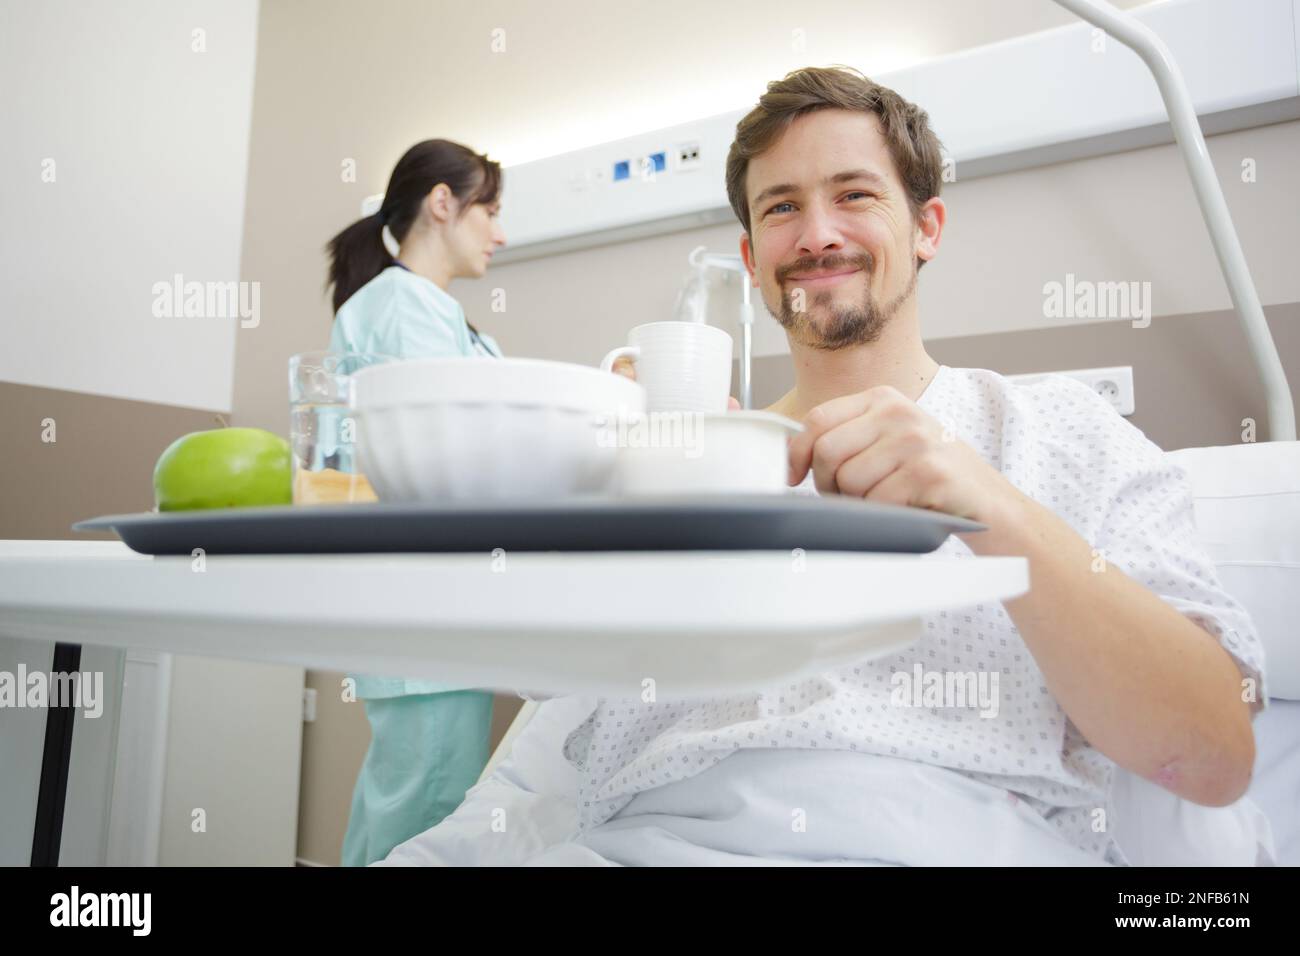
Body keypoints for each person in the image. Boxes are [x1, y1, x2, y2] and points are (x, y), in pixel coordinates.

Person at [383, 67, 1268, 866]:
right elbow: (549, 679)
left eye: (854, 194)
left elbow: (1213, 754)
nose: (816, 235)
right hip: (646, 840)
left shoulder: (1057, 433)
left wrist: (988, 503)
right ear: (751, 259)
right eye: (780, 208)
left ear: (926, 228)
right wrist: (620, 499)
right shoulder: (680, 467)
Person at [324, 138, 506, 866]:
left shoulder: (430, 313)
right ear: (442, 203)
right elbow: (448, 451)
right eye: (489, 210)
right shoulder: (403, 307)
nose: (500, 231)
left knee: (417, 799)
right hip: (421, 592)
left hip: (435, 597)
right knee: (423, 812)